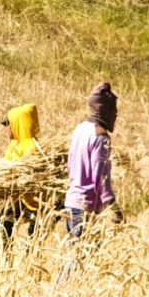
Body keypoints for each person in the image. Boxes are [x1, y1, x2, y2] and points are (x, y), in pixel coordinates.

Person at [64, 82, 123, 239]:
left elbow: (70, 164)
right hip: (86, 207)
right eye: (113, 110)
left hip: (71, 201)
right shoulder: (100, 137)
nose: (116, 115)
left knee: (75, 256)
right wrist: (113, 207)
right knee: (84, 259)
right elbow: (101, 178)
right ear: (104, 110)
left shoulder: (80, 128)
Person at [0, 103, 43, 238]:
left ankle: (30, 256)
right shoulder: (14, 145)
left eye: (10, 125)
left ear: (19, 125)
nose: (8, 129)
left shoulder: (31, 147)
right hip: (18, 197)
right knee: (2, 222)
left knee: (33, 233)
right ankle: (6, 257)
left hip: (32, 201)